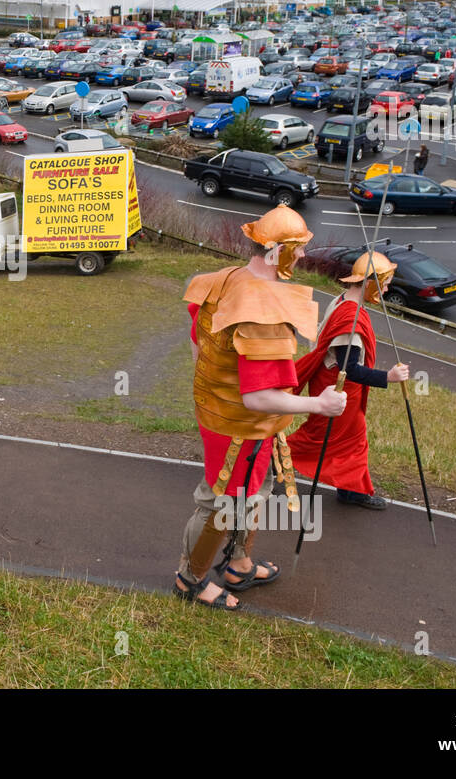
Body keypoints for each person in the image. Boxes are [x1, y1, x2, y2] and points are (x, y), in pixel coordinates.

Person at [175, 206, 347, 611]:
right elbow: (257, 397)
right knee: (224, 502)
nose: (302, 256)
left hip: (228, 414)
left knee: (252, 493)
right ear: (278, 252)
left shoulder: (220, 280)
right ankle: (190, 578)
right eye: (298, 249)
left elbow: (197, 344)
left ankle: (236, 564)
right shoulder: (261, 317)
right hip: (239, 422)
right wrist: (318, 403)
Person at [287, 252, 410, 511]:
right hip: (338, 389)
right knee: (318, 439)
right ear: (370, 283)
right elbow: (350, 369)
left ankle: (352, 490)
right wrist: (389, 377)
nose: (386, 289)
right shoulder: (349, 320)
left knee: (353, 443)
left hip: (338, 388)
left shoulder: (342, 300)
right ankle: (267, 456)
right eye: (384, 283)